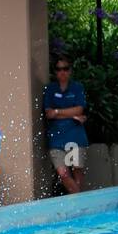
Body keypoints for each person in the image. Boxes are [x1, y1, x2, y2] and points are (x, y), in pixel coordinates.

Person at [43, 56, 89, 194]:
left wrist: (58, 112)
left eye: (65, 68)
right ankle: (81, 201)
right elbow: (49, 113)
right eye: (58, 69)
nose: (62, 72)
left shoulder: (76, 87)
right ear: (55, 72)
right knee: (63, 173)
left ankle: (76, 205)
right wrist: (70, 114)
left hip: (75, 136)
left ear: (70, 71)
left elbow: (80, 109)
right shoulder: (50, 89)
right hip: (57, 138)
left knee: (77, 170)